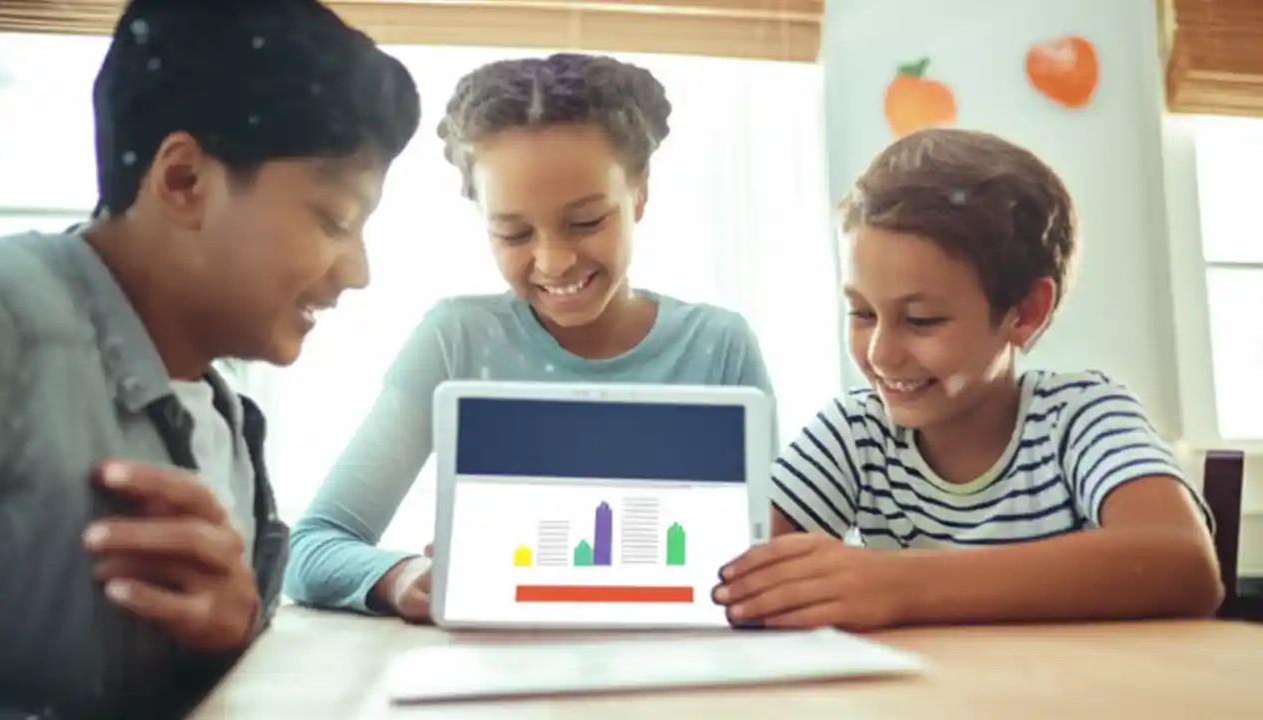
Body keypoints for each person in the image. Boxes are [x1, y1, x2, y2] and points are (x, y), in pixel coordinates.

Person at [0, 1, 420, 717]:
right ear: (184, 179)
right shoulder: (1, 324)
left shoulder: (224, 420)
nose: (358, 271)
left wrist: (226, 642)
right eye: (336, 219)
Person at [284, 52, 774, 622]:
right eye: (512, 232)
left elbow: (765, 558)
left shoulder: (719, 344)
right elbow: (312, 544)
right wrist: (402, 577)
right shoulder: (456, 339)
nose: (554, 261)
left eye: (587, 221)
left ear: (638, 194)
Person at [712, 128, 1222, 629]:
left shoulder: (1080, 416)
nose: (881, 354)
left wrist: (901, 585)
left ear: (1024, 313)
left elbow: (1184, 564)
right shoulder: (854, 434)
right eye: (863, 314)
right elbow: (728, 573)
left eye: (922, 321)